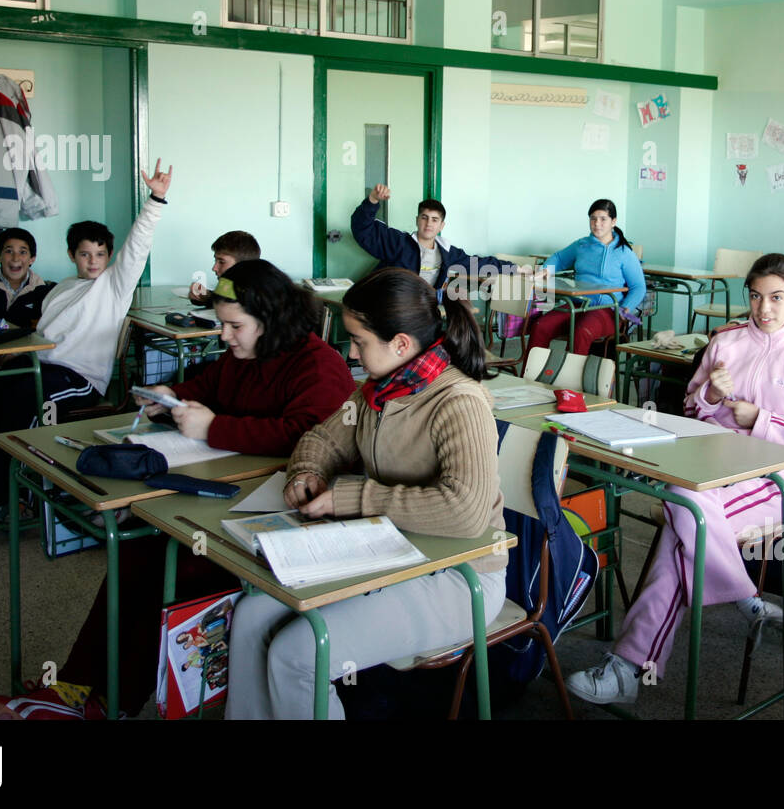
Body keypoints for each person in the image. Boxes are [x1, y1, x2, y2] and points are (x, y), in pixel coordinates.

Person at [0, 259, 354, 719]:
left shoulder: (318, 365)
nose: (224, 336)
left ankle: (101, 700)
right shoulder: (247, 354)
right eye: (221, 325)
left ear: (271, 319)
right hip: (229, 500)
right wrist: (168, 395)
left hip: (278, 518)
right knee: (139, 552)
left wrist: (215, 428)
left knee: (174, 571)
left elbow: (307, 435)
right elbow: (208, 385)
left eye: (234, 326)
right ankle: (80, 691)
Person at [226, 267, 508, 720]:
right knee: (252, 619)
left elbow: (466, 512)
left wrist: (350, 498)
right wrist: (306, 471)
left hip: (460, 575)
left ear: (399, 344)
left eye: (358, 341)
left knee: (300, 652)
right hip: (391, 554)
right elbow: (322, 439)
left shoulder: (459, 401)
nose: (351, 352)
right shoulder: (377, 392)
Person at [565, 254, 784, 706]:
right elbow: (694, 410)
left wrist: (763, 419)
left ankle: (627, 667)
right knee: (688, 511)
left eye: (777, 298)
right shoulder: (728, 341)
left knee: (684, 513)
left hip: (773, 481)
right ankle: (744, 597)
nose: (764, 309)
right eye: (755, 297)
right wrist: (712, 394)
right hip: (710, 469)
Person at [0, 159, 174, 521]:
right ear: (72, 255)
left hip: (77, 378)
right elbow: (44, 334)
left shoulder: (114, 287)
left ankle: (11, 499)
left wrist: (155, 200)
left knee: (22, 403)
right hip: (38, 365)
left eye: (101, 254)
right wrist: (14, 355)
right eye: (85, 254)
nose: (93, 261)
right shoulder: (61, 289)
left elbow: (136, 250)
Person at [527, 198, 647, 355]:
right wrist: (546, 269)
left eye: (603, 219)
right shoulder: (582, 245)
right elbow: (559, 258)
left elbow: (638, 287)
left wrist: (626, 308)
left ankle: (569, 378)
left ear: (613, 222)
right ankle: (528, 377)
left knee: (581, 332)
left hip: (607, 310)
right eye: (593, 219)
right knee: (541, 326)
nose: (597, 223)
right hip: (576, 305)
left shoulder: (624, 253)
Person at [350, 184, 512, 291]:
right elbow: (362, 229)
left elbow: (478, 264)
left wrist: (514, 269)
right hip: (392, 304)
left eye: (434, 220)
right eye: (424, 217)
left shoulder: (447, 252)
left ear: (441, 226)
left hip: (424, 306)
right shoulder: (398, 242)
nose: (428, 223)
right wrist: (373, 200)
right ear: (417, 220)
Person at [0, 226, 54, 327]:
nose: (15, 258)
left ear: (32, 259)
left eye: (22, 252)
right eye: (9, 251)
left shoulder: (45, 292)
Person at [188, 230, 260, 305]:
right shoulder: (232, 288)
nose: (214, 268)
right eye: (215, 261)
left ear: (242, 265)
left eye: (222, 262)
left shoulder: (258, 297)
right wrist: (204, 296)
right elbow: (225, 300)